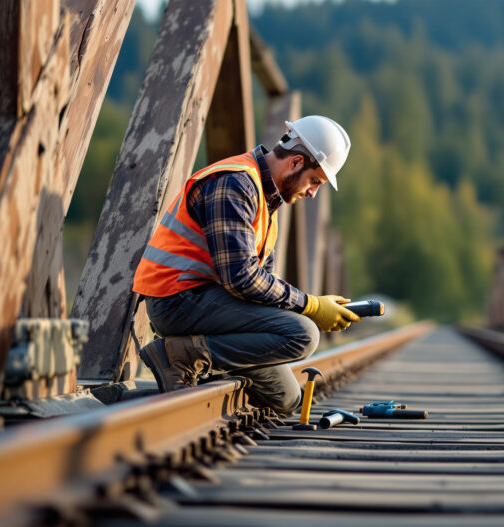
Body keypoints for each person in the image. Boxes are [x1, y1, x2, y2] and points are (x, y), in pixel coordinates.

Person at [132, 115, 360, 414]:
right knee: (303, 334)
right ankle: (179, 357)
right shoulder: (235, 183)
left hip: (209, 302)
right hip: (178, 300)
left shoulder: (266, 199)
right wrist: (311, 306)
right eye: (314, 181)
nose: (312, 192)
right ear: (295, 162)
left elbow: (262, 285)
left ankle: (206, 362)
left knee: (287, 399)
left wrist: (306, 306)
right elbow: (241, 277)